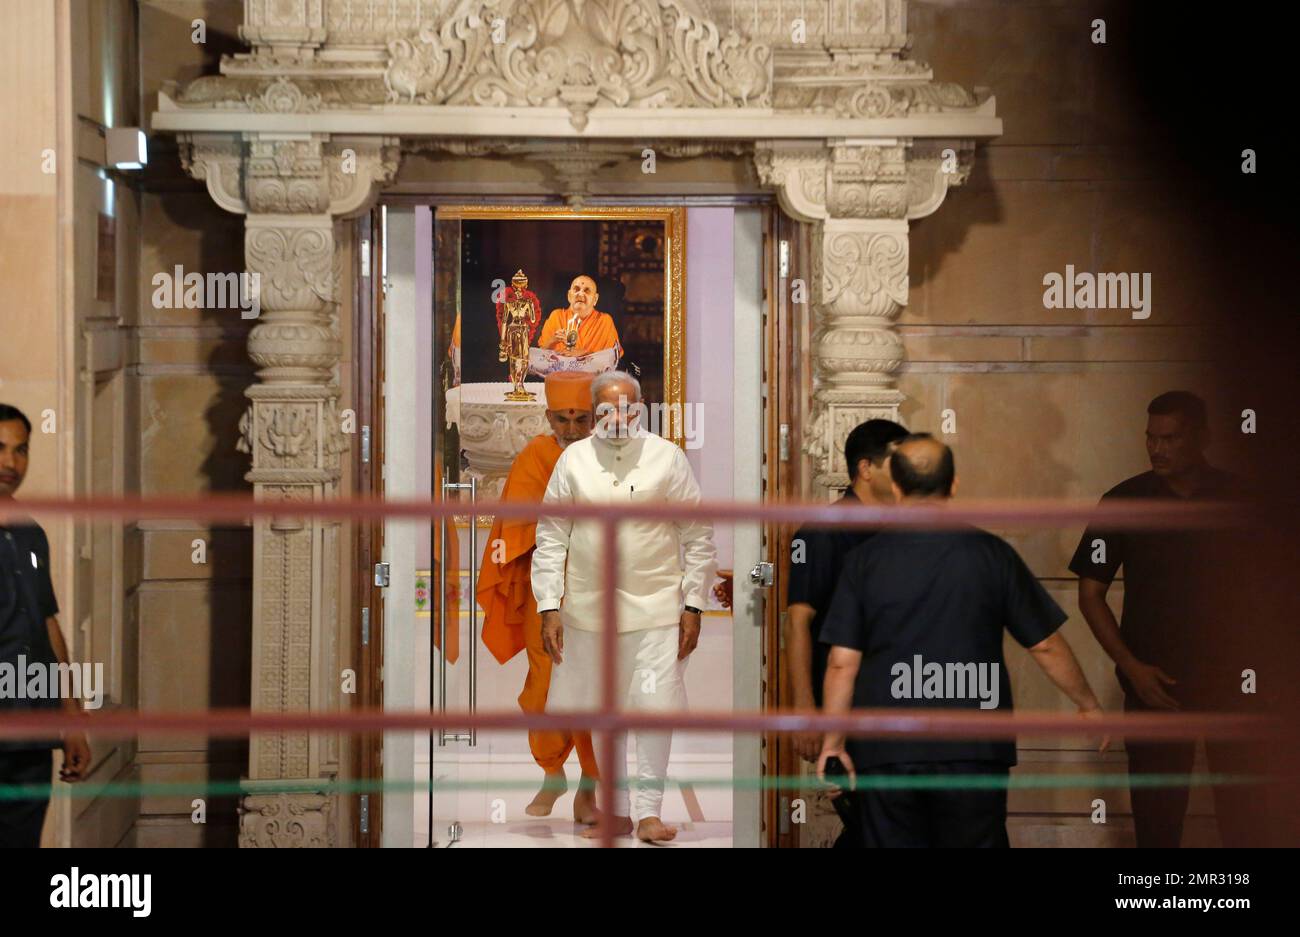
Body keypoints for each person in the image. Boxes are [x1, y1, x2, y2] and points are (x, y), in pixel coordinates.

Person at [817, 434, 1106, 848]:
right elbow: (1045, 644)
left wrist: (834, 743)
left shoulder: (864, 561)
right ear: (953, 486)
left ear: (896, 488)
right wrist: (1089, 704)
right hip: (975, 747)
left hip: (888, 750)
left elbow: (842, 662)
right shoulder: (992, 554)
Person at [532, 371, 716, 843]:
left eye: (627, 408)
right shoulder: (573, 460)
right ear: (596, 413)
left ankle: (650, 813)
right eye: (608, 409)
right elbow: (551, 536)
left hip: (656, 609)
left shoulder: (666, 457)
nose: (618, 417)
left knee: (654, 710)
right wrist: (548, 605)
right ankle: (613, 811)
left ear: (640, 409)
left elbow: (696, 535)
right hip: (588, 611)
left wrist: (693, 603)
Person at [1070, 390, 1258, 846]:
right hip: (1154, 681)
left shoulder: (1242, 500)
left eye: (1171, 438)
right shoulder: (1122, 502)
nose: (1158, 448)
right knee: (1156, 821)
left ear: (1202, 438)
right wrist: (1132, 667)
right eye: (1151, 437)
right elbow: (1090, 593)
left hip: (1235, 681)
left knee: (1246, 817)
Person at [475, 372, 601, 822]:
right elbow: (519, 523)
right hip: (544, 591)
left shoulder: (608, 455)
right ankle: (552, 772)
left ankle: (591, 780)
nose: (570, 428)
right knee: (543, 684)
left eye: (580, 418)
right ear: (548, 417)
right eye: (562, 418)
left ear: (595, 416)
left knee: (593, 686)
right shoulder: (535, 455)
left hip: (598, 590)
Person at [786, 419, 908, 847]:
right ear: (866, 468)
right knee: (870, 823)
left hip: (896, 704)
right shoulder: (822, 532)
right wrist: (806, 711)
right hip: (844, 706)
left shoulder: (904, 531)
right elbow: (798, 622)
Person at [0, 404, 91, 847]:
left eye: (21, 450)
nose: (10, 463)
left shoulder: (31, 534)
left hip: (30, 738)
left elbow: (46, 624)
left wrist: (72, 718)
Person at [536, 276, 622, 360]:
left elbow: (613, 357)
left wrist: (584, 353)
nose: (580, 294)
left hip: (592, 374)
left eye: (587, 291)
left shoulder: (604, 321)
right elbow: (540, 355)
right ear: (569, 296)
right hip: (558, 372)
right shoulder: (557, 316)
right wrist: (552, 341)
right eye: (576, 289)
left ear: (595, 299)